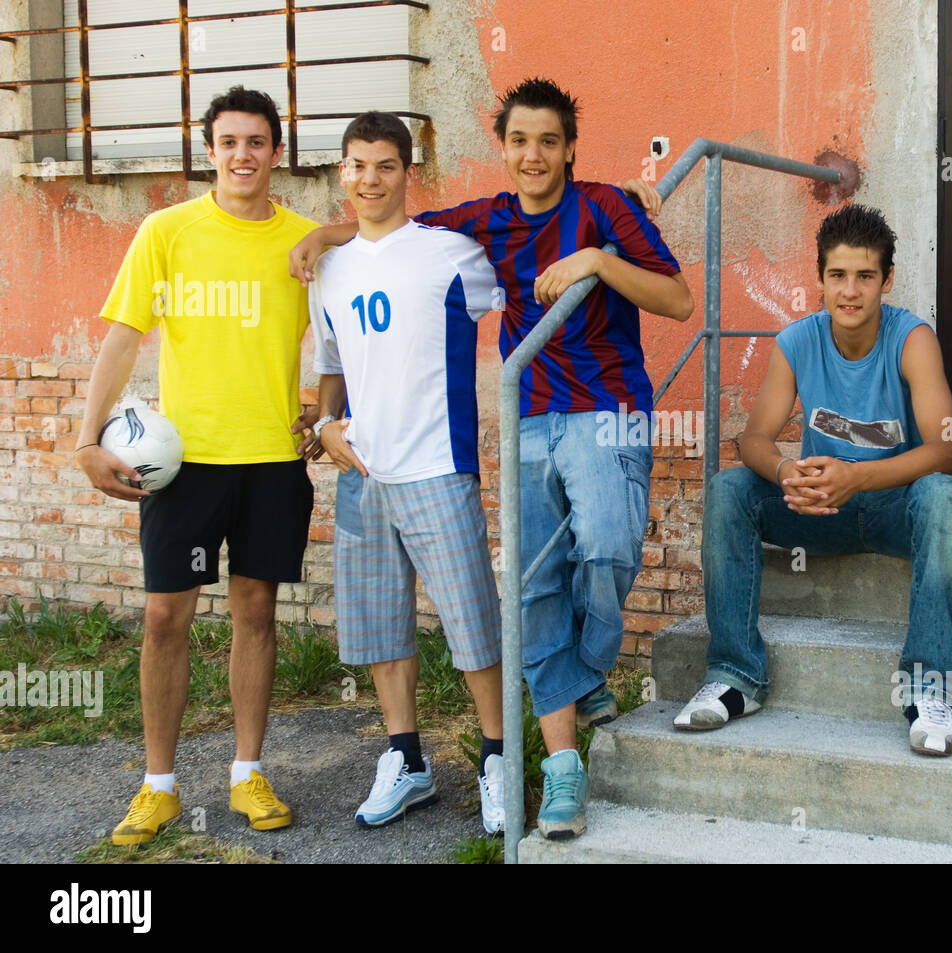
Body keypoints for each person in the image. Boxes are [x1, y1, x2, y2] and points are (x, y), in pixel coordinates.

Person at [291, 78, 692, 839]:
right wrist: (325, 234)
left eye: (548, 141)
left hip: (606, 409)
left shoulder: (606, 208)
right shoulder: (483, 223)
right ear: (503, 149)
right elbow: (392, 229)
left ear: (570, 149)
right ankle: (561, 763)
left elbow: (677, 301)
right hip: (527, 415)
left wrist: (597, 261)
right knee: (535, 585)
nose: (533, 155)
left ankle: (582, 670)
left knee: (606, 546)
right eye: (519, 141)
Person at [75, 87, 320, 844]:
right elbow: (123, 337)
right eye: (229, 142)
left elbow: (347, 333)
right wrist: (87, 440)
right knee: (163, 618)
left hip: (273, 458)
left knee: (255, 612)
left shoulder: (306, 242)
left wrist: (326, 409)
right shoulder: (167, 231)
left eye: (257, 142)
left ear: (277, 151)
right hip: (185, 465)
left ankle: (247, 772)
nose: (243, 155)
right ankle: (158, 787)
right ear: (209, 150)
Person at [674, 204, 952, 756]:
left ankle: (932, 690)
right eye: (837, 275)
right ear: (819, 278)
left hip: (894, 511)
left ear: (887, 279)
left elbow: (947, 448)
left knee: (944, 495)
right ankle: (736, 676)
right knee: (729, 490)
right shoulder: (797, 341)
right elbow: (754, 438)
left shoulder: (912, 339)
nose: (850, 291)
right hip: (820, 510)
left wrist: (857, 477)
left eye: (865, 276)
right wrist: (786, 471)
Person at [308, 111, 506, 832]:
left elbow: (525, 273)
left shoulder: (452, 253)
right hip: (363, 473)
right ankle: (407, 760)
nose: (371, 179)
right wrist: (325, 424)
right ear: (342, 172)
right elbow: (331, 365)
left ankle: (497, 758)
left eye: (385, 165)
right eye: (358, 165)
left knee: (472, 623)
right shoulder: (326, 269)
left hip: (437, 466)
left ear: (407, 172)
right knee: (380, 628)